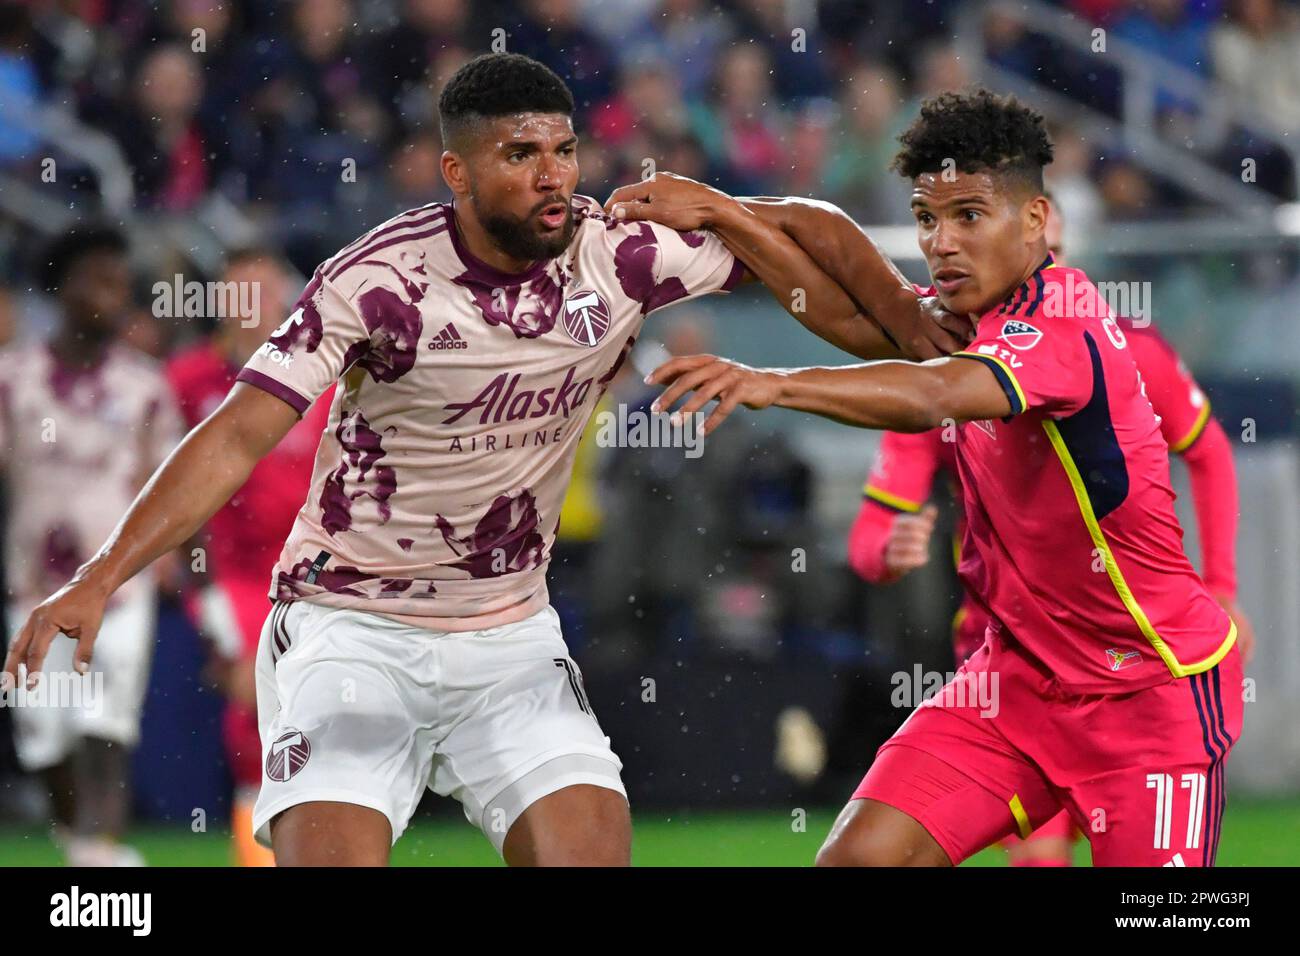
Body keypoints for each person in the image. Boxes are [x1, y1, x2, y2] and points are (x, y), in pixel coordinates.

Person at [4, 53, 962, 867]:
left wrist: (914, 332)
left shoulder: (619, 254)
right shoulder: (377, 283)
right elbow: (234, 436)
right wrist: (102, 577)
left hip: (508, 638)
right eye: (520, 155)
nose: (553, 176)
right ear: (456, 175)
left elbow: (821, 238)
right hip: (350, 630)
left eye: (562, 149)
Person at [611, 89, 1243, 866]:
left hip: (1148, 693)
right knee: (857, 861)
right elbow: (845, 273)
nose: (941, 243)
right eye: (926, 218)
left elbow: (933, 393)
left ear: (1038, 222)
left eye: (969, 216)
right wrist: (721, 209)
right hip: (1014, 686)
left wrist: (770, 382)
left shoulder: (1061, 324)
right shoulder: (973, 319)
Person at [844, 198, 1255, 866]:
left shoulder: (1119, 350)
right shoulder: (941, 369)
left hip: (1134, 673)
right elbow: (870, 535)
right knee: (1030, 861)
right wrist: (886, 553)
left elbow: (1208, 452)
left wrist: (1224, 586)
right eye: (933, 223)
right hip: (1009, 666)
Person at [0, 226, 182, 866]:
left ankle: (99, 849)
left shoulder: (146, 387)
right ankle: (78, 840)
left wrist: (170, 556)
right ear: (62, 287)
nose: (114, 294)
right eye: (98, 280)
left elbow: (172, 479)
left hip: (118, 583)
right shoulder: (11, 378)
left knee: (107, 720)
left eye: (119, 282)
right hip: (31, 584)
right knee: (44, 736)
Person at [165, 247, 333, 866]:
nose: (253, 305)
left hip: (313, 573)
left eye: (265, 290)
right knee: (254, 702)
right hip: (229, 573)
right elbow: (166, 477)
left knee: (315, 709)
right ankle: (259, 850)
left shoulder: (322, 376)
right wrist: (190, 576)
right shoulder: (188, 381)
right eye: (241, 291)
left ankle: (308, 840)